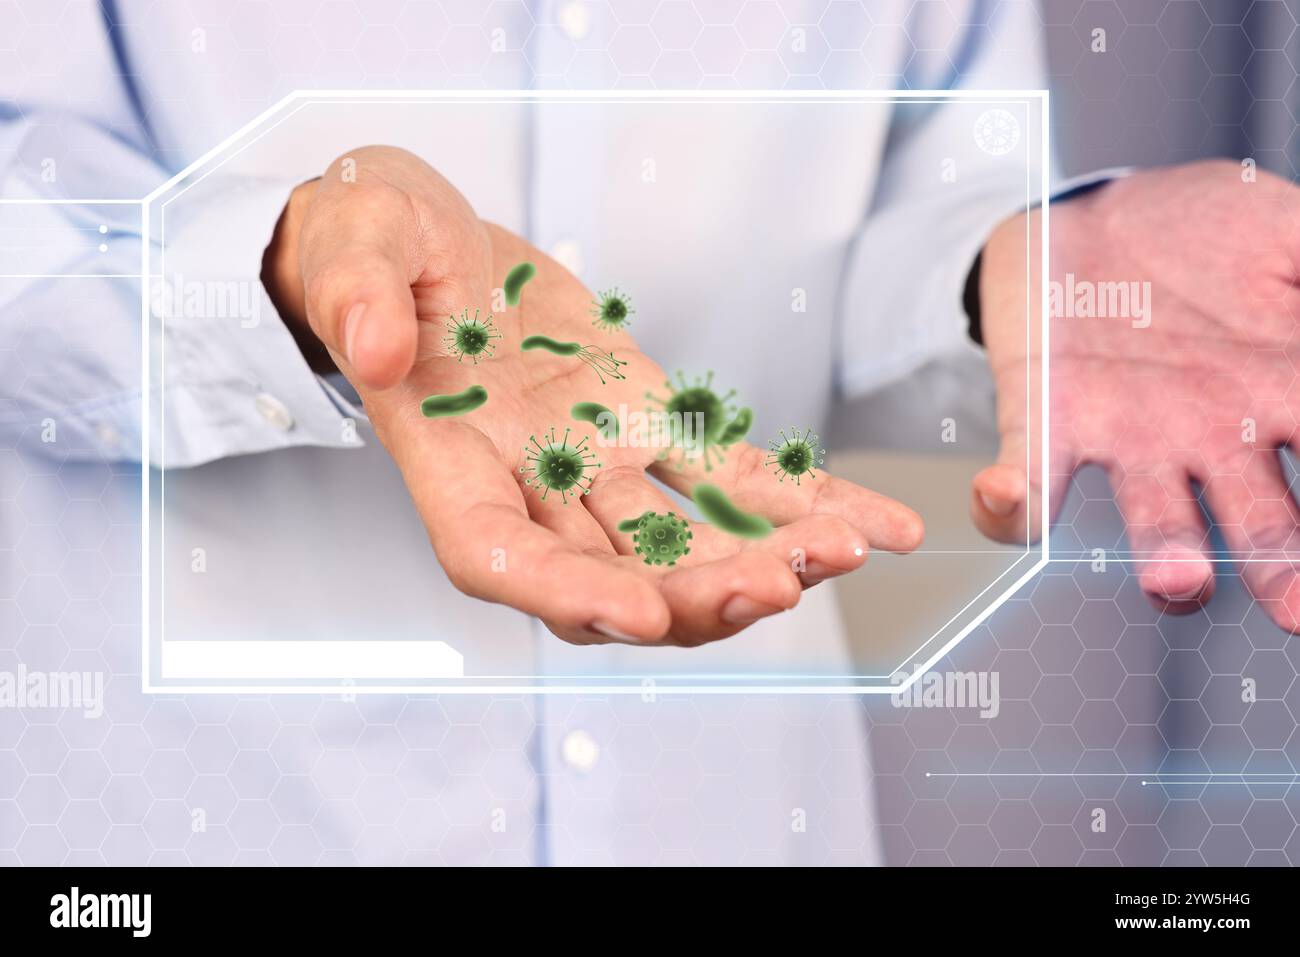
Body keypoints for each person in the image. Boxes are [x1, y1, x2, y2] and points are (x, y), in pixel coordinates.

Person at [3, 1, 1299, 865]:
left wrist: (1008, 267)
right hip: (213, 815)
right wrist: (281, 268)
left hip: (732, 808)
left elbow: (913, 198)